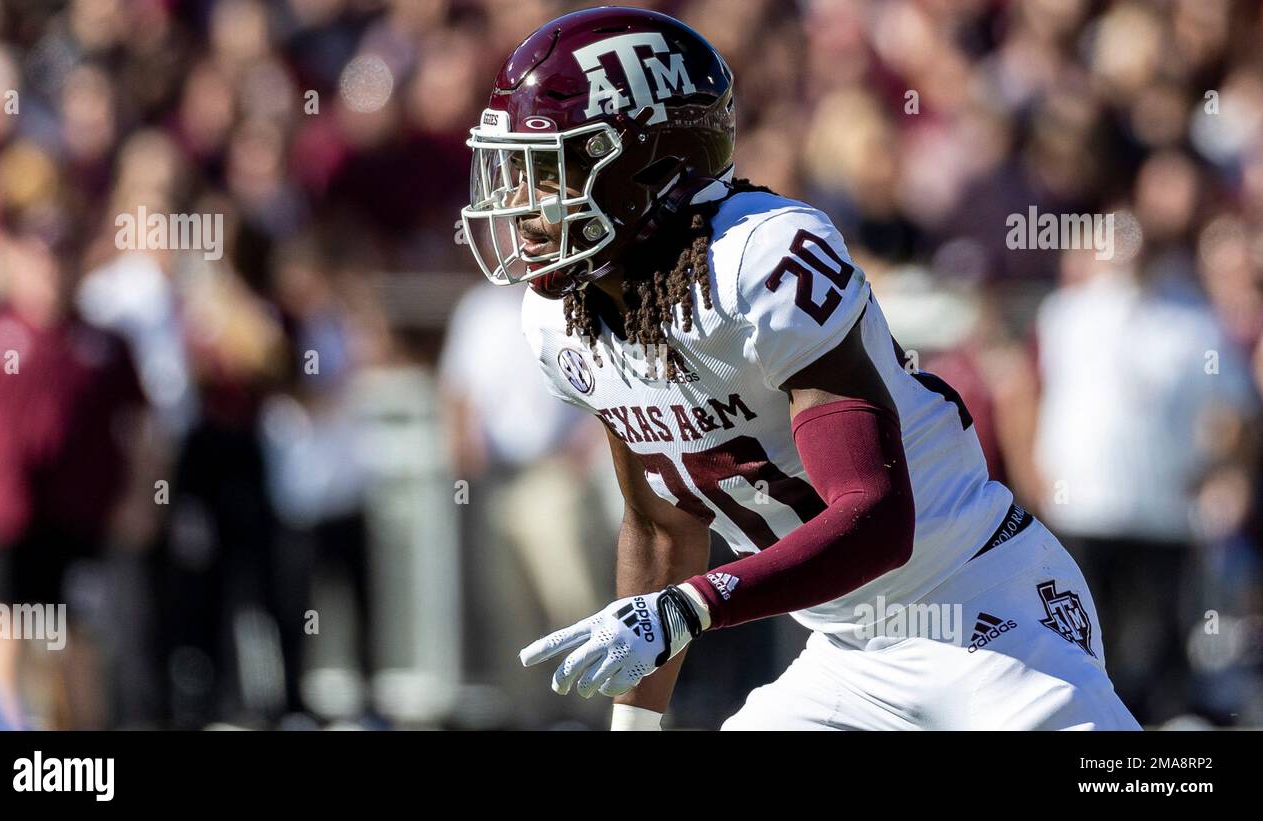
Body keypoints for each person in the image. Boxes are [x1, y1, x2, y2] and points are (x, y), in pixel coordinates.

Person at [461, 6, 1139, 731]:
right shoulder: (560, 322)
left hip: (984, 612)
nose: (520, 207)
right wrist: (635, 725)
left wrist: (694, 605)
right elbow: (661, 528)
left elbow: (876, 518)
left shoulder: (760, 259)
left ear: (647, 166)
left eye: (551, 169)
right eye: (513, 173)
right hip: (848, 655)